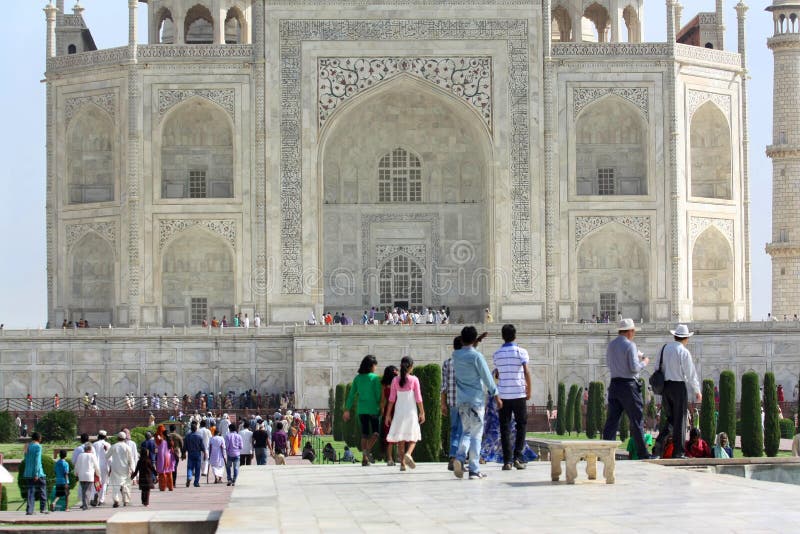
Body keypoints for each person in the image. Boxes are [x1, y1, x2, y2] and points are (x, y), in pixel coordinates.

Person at [452, 326, 501, 480]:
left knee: (466, 432)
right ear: (474, 340)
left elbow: (466, 350)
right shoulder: (476, 357)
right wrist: (496, 394)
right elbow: (487, 377)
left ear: (461, 339)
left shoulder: (456, 355)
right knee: (476, 435)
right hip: (476, 401)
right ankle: (474, 469)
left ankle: (459, 458)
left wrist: (476, 341)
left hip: (462, 401)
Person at [602, 318, 651, 461]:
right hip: (628, 386)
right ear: (629, 331)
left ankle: (606, 453)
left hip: (614, 384)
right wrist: (644, 362)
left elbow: (609, 364)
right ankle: (643, 453)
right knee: (636, 420)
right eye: (633, 331)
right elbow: (634, 368)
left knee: (612, 421)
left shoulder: (611, 345)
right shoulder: (630, 345)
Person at [655, 324, 701, 459]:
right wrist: (697, 390)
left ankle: (659, 443)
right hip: (678, 387)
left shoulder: (664, 349)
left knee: (671, 418)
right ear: (685, 338)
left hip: (665, 387)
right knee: (680, 420)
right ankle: (679, 452)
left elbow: (657, 366)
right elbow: (690, 373)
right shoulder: (683, 352)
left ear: (675, 336)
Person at [492, 324, 531, 471]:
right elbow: (527, 372)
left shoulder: (497, 354)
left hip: (503, 395)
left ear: (502, 336)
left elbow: (498, 373)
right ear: (515, 336)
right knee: (521, 426)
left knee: (505, 428)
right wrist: (529, 389)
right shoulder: (522, 352)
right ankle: (517, 458)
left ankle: (507, 461)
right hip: (519, 393)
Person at [386, 356, 425, 472]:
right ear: (411, 367)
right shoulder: (414, 379)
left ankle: (402, 464)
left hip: (399, 411)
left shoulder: (395, 380)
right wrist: (422, 412)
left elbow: (391, 399)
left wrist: (388, 414)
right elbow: (418, 398)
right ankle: (408, 454)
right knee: (414, 436)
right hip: (411, 411)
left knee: (400, 438)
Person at [343, 355, 382, 466]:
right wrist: (382, 405)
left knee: (365, 434)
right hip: (373, 409)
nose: (376, 367)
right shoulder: (374, 378)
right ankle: (366, 452)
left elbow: (351, 395)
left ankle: (364, 458)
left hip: (362, 410)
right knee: (375, 433)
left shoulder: (358, 378)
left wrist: (347, 410)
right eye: (375, 365)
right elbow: (378, 395)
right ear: (371, 366)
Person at [441, 339, 461, 471]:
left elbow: (444, 387)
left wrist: (443, 403)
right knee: (464, 432)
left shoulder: (447, 363)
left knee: (454, 431)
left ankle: (453, 457)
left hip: (452, 402)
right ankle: (458, 459)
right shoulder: (466, 362)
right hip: (466, 402)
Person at [23, 432, 47, 515]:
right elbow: (37, 461)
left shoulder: (27, 446)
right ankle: (43, 508)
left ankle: (29, 510)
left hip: (28, 472)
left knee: (30, 491)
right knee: (42, 489)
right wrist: (36, 473)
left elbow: (26, 458)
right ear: (39, 439)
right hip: (38, 473)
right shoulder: (38, 446)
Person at [107, 431, 134, 507]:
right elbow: (131, 459)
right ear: (125, 438)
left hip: (115, 468)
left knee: (115, 485)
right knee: (126, 484)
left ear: (118, 438)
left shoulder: (114, 446)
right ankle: (126, 500)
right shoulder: (127, 447)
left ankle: (116, 500)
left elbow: (107, 456)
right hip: (125, 468)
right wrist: (132, 469)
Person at [380, 365, 399, 466]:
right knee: (390, 435)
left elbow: (383, 401)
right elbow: (383, 400)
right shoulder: (386, 384)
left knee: (396, 434)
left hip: (396, 409)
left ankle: (394, 457)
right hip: (392, 410)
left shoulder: (396, 382)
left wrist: (383, 410)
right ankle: (390, 458)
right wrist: (383, 412)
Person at [75, 442, 100, 510]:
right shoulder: (92, 456)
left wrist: (76, 474)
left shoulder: (80, 455)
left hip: (81, 475)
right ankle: (85, 505)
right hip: (89, 476)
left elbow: (77, 466)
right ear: (90, 449)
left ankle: (84, 504)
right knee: (87, 491)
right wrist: (98, 474)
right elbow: (96, 467)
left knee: (84, 490)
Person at [184, 421, 206, 487]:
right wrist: (205, 453)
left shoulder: (187, 436)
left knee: (190, 467)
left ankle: (189, 477)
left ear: (191, 429)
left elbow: (185, 446)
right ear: (196, 429)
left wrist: (183, 453)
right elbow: (202, 447)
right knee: (197, 468)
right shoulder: (199, 437)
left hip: (190, 454)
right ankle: (196, 482)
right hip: (197, 454)